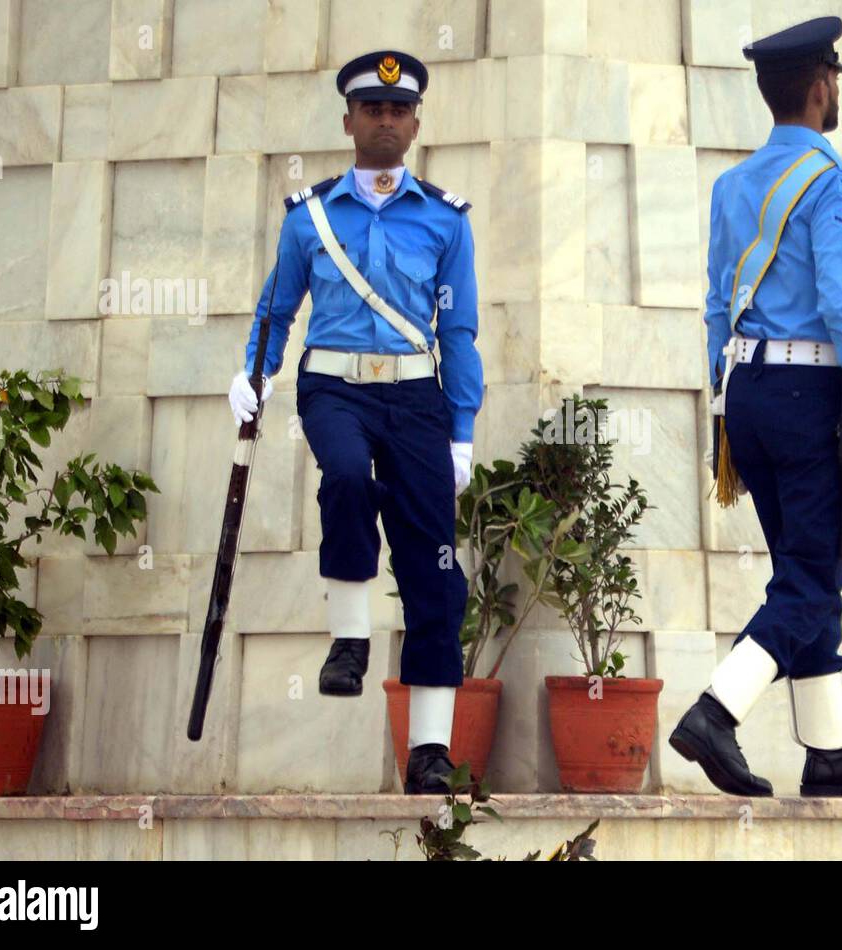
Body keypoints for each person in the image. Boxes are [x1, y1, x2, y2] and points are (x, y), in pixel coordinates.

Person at [228, 49, 483, 794]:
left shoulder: (447, 221)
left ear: (414, 124)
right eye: (371, 108)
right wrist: (254, 375)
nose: (385, 119)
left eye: (398, 109)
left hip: (415, 400)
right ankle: (349, 639)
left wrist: (461, 428)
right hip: (334, 389)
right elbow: (277, 310)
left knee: (435, 567)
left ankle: (429, 751)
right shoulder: (309, 219)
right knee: (342, 476)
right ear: (348, 120)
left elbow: (458, 332)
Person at [670, 17, 842, 798]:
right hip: (810, 396)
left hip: (747, 397)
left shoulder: (733, 186)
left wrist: (723, 405)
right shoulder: (829, 184)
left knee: (803, 568)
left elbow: (715, 305)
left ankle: (829, 750)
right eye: (833, 78)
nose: (836, 88)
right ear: (819, 88)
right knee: (811, 576)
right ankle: (717, 709)